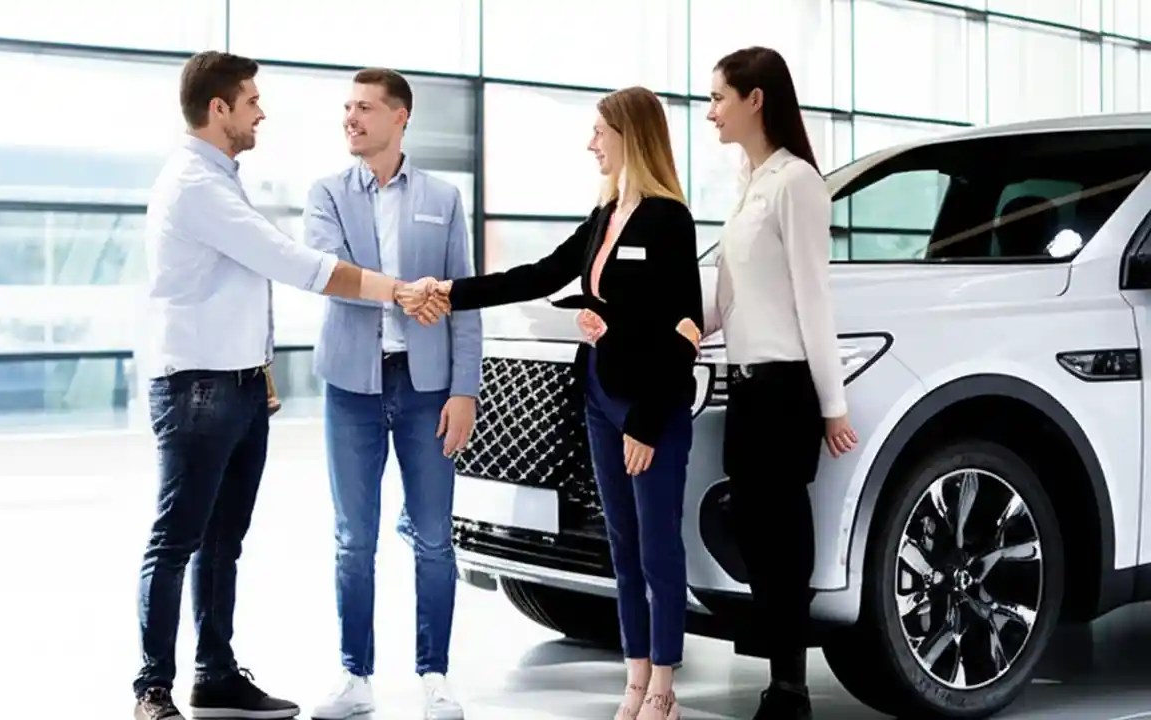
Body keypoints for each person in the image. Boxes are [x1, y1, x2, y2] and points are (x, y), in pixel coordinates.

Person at [133, 50, 435, 720]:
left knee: (223, 542)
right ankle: (152, 688)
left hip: (239, 387)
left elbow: (240, 287)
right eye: (251, 101)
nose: (260, 113)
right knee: (177, 539)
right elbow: (292, 262)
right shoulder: (195, 185)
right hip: (198, 388)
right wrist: (396, 290)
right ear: (219, 109)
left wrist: (260, 373)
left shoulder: (220, 178)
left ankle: (214, 674)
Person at [404, 86, 702, 720]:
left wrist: (647, 420)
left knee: (657, 549)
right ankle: (635, 678)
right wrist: (450, 291)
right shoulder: (604, 216)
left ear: (631, 136)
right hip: (598, 396)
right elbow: (538, 275)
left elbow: (685, 326)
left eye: (600, 131)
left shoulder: (669, 218)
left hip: (649, 408)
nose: (591, 143)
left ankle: (664, 687)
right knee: (622, 548)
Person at [302, 67, 480, 720]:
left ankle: (435, 675)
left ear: (401, 116)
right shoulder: (326, 193)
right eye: (348, 107)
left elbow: (464, 299)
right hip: (351, 385)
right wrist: (402, 292)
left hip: (427, 387)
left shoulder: (443, 197)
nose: (351, 118)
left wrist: (465, 390)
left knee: (434, 537)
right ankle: (355, 676)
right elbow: (330, 275)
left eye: (366, 108)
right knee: (354, 539)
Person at [701, 46, 858, 720]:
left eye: (718, 98)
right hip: (746, 389)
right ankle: (779, 676)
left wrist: (833, 405)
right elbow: (729, 295)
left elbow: (813, 298)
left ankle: (790, 689)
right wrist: (679, 329)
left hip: (787, 390)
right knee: (756, 536)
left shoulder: (796, 183)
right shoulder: (750, 185)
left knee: (782, 543)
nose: (711, 112)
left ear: (755, 99)